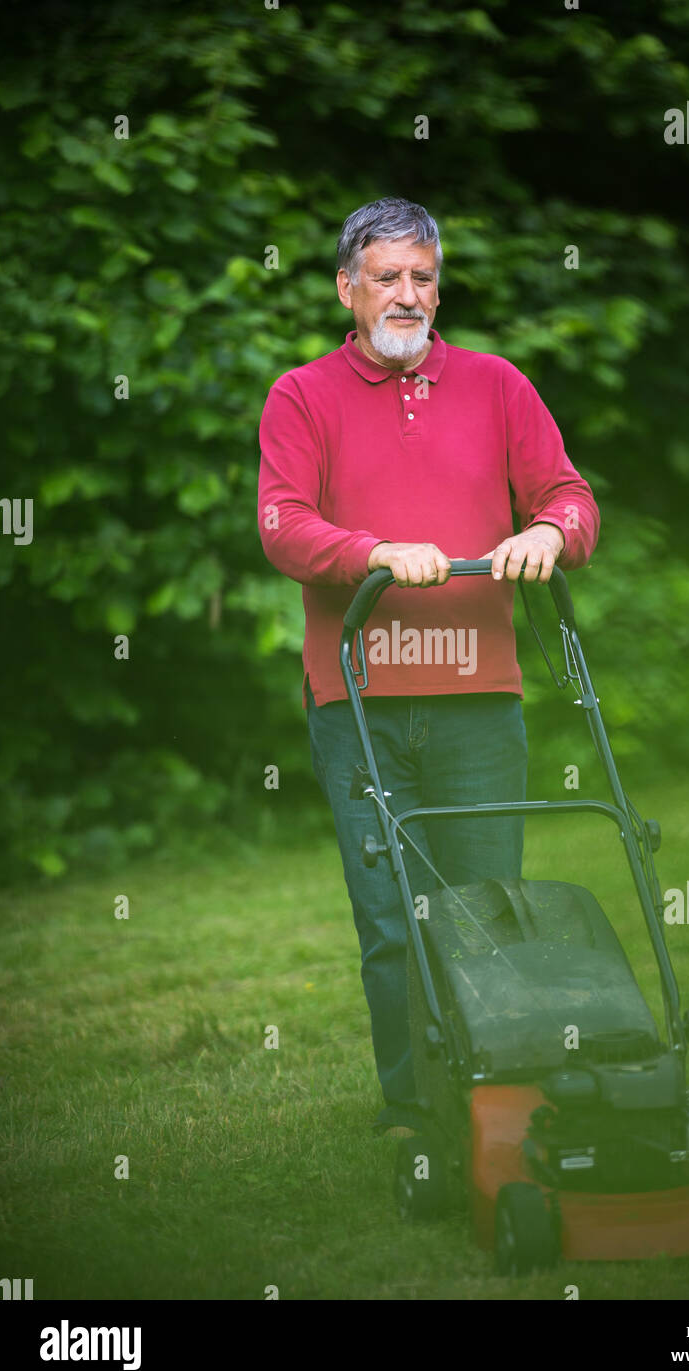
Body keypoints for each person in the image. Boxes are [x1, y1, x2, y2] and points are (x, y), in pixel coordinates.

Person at [258, 197, 600, 1138]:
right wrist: (372, 551)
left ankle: (502, 1093)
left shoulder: (498, 386)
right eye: (386, 278)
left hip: (479, 701)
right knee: (393, 920)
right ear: (347, 288)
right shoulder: (300, 396)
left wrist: (547, 531)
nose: (406, 295)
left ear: (438, 288)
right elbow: (283, 524)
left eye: (422, 277)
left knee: (489, 907)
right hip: (358, 703)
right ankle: (417, 1111)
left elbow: (573, 499)